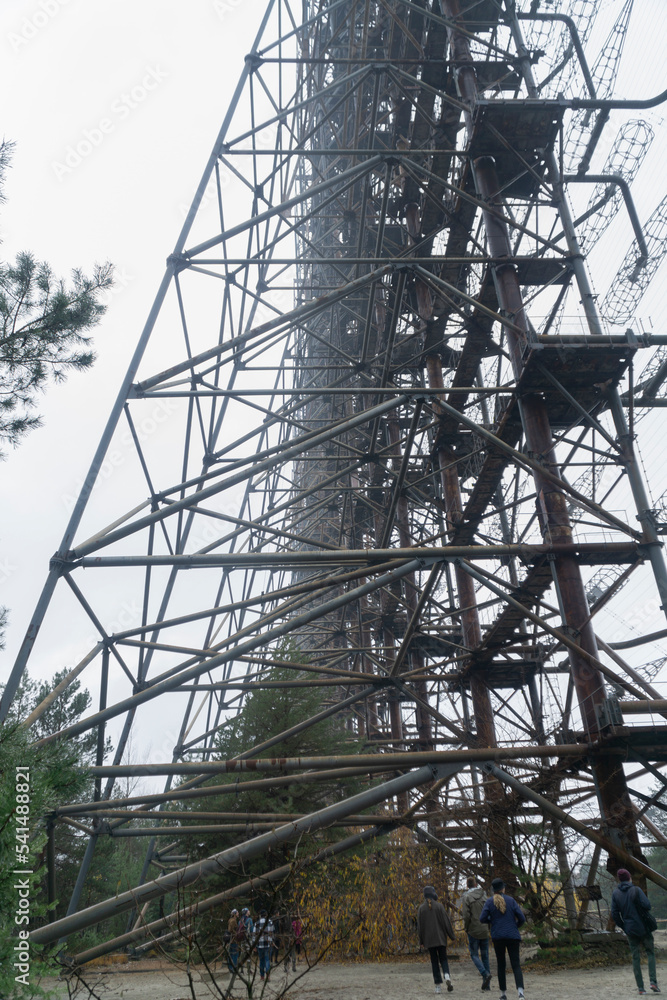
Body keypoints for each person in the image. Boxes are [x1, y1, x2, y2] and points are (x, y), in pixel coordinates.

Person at [611, 868, 660, 995]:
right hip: (643, 927)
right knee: (650, 953)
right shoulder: (636, 890)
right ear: (629, 878)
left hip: (630, 929)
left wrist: (624, 926)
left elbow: (615, 914)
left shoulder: (615, 894)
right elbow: (647, 906)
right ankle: (653, 982)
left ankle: (641, 988)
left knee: (635, 957)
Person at [480, 878, 526, 1000]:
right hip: (513, 936)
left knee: (501, 965)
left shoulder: (489, 902)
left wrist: (493, 922)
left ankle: (503, 994)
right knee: (516, 964)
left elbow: (482, 918)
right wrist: (514, 926)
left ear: (494, 890)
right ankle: (520, 993)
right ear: (503, 889)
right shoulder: (511, 900)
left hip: (498, 937)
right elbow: (522, 918)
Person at [417, 885, 456, 995]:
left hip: (429, 940)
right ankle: (447, 976)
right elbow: (446, 922)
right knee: (443, 959)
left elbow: (420, 927)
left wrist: (421, 941)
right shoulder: (439, 907)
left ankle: (438, 986)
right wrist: (452, 936)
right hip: (441, 939)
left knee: (434, 961)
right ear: (433, 894)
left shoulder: (421, 909)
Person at [461, 876, 492, 991]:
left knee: (474, 955)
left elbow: (466, 915)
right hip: (484, 929)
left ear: (467, 885)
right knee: (485, 957)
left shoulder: (466, 897)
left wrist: (467, 927)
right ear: (475, 884)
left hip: (473, 930)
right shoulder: (484, 895)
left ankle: (485, 974)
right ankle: (487, 985)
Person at [255, 908, 274, 982]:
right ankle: (268, 976)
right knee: (267, 960)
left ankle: (262, 976)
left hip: (260, 945)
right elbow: (272, 932)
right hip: (268, 944)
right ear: (266, 915)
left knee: (261, 960)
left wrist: (254, 945)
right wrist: (272, 941)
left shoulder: (257, 923)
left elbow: (254, 935)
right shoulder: (270, 922)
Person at [226, 907, 239, 973]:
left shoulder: (230, 920)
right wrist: (236, 933)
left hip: (230, 940)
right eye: (237, 912)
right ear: (234, 914)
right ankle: (233, 968)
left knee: (230, 954)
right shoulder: (233, 921)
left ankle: (230, 967)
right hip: (233, 939)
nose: (238, 913)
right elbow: (231, 930)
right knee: (234, 954)